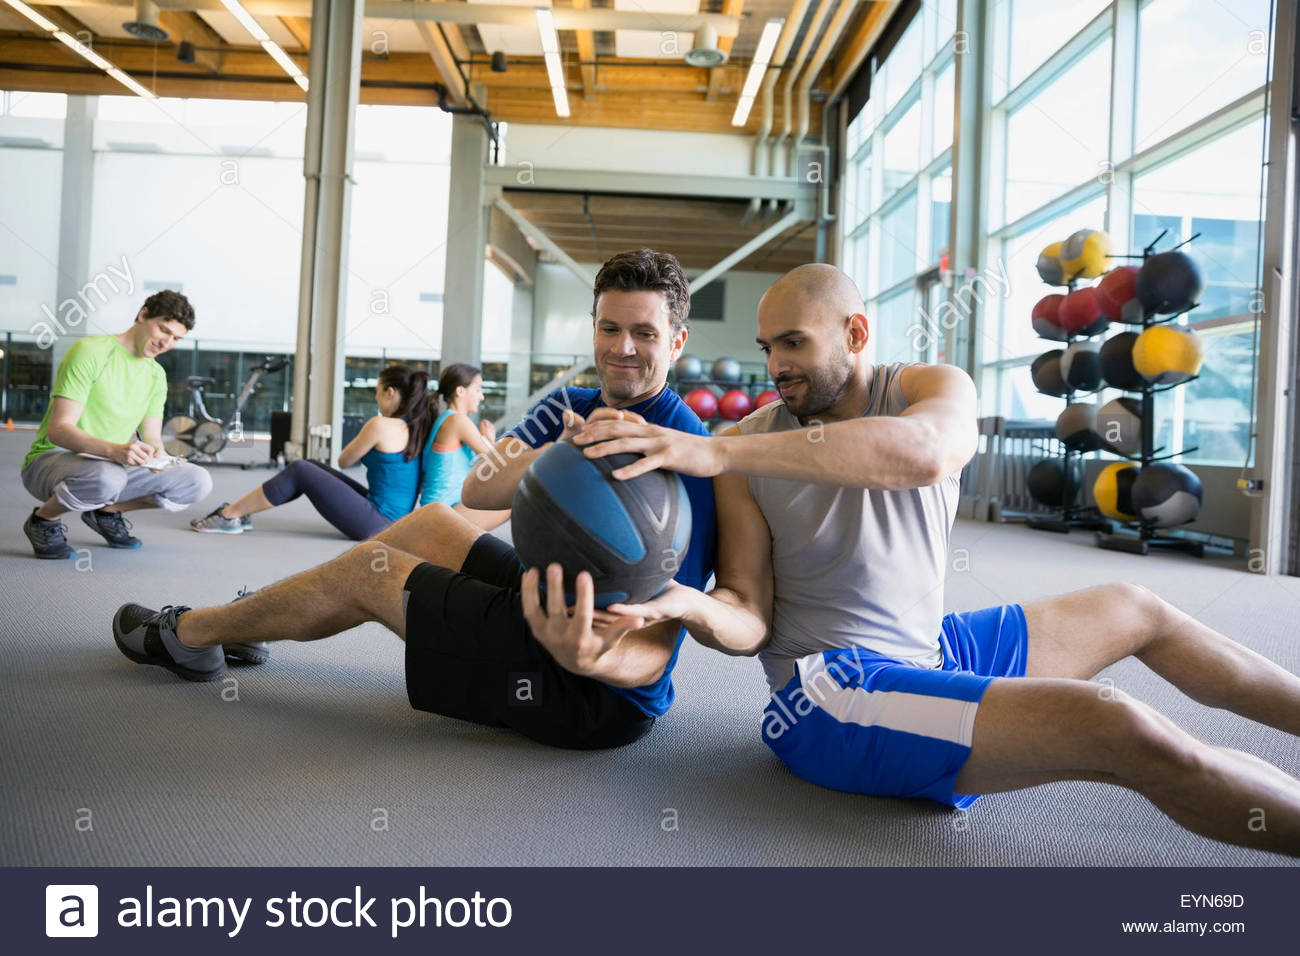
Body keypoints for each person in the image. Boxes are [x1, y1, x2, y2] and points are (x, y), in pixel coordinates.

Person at [571, 262, 1300, 857]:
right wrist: (686, 602)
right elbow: (749, 621)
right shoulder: (746, 453)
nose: (776, 367)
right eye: (767, 348)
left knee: (1137, 609)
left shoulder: (927, 389)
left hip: (930, 647)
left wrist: (717, 445)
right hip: (827, 690)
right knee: (1120, 728)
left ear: (856, 333)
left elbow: (922, 455)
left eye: (792, 343)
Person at [109, 248, 718, 753]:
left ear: (678, 341)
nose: (624, 347)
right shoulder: (574, 406)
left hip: (588, 687)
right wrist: (562, 451)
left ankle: (189, 636)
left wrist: (588, 658)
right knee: (431, 522)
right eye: (610, 328)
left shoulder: (688, 453)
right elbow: (481, 484)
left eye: (645, 333)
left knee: (369, 573)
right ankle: (263, 616)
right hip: (541, 598)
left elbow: (657, 647)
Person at [21, 290, 212, 558]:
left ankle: (107, 512)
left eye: (176, 338)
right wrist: (114, 451)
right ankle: (44, 520)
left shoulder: (156, 375)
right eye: (163, 330)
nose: (166, 343)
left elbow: (152, 437)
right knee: (108, 476)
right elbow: (59, 429)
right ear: (143, 314)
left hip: (115, 466)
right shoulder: (90, 351)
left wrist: (159, 455)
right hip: (52, 460)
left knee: (196, 480)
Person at [190, 363, 432, 540]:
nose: (376, 398)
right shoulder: (418, 427)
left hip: (377, 523)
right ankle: (239, 513)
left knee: (301, 470)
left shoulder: (380, 425)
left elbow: (345, 460)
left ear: (391, 393)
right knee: (312, 465)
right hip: (392, 520)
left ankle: (229, 515)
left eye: (378, 392)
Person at [417, 362, 508, 531]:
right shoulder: (457, 421)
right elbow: (499, 461)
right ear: (460, 391)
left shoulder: (448, 419)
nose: (482, 397)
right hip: (439, 517)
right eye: (478, 389)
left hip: (440, 511)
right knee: (514, 499)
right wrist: (489, 439)